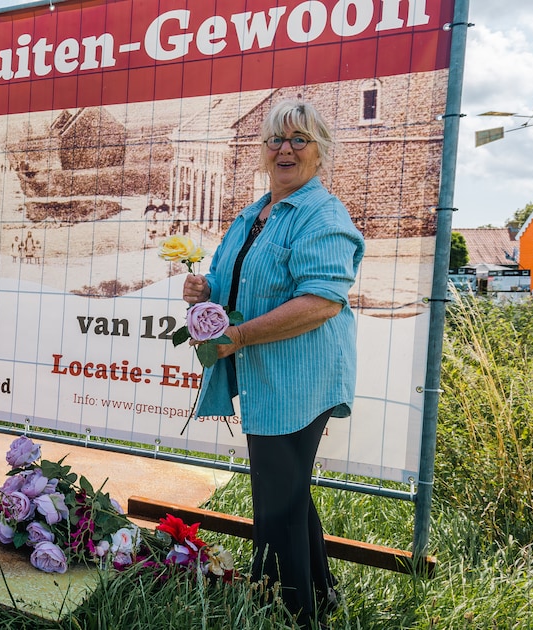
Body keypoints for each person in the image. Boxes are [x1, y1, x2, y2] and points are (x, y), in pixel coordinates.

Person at [181, 99, 363, 627]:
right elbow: (234, 276)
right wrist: (204, 288)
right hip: (269, 373)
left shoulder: (320, 214)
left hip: (301, 376)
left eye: (299, 140)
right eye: (276, 140)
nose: (286, 149)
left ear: (320, 153)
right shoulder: (257, 211)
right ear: (263, 151)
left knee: (277, 496)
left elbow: (323, 301)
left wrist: (237, 335)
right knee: (288, 490)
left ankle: (294, 612)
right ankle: (321, 596)